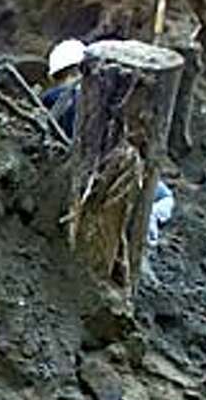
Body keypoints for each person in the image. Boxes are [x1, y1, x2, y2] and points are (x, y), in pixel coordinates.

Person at [42, 38, 175, 247]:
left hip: (76, 180)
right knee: (165, 197)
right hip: (108, 176)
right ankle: (146, 230)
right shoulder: (94, 98)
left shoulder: (47, 107)